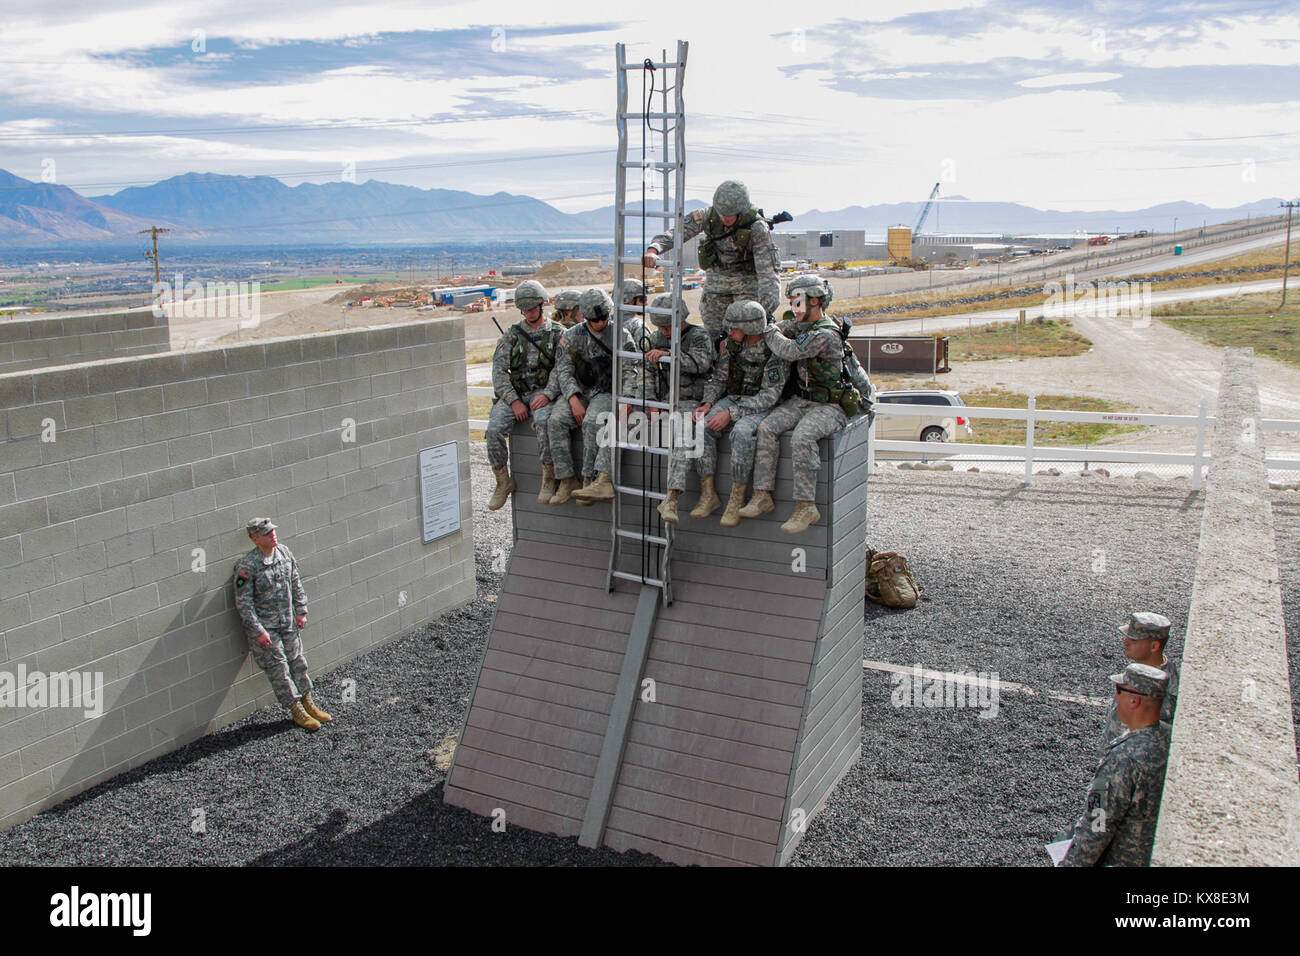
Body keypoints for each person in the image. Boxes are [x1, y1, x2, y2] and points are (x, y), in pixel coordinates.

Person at [742, 275, 866, 534]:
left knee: (803, 437)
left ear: (816, 302)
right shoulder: (804, 327)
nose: (795, 309)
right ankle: (762, 494)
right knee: (767, 428)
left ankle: (806, 506)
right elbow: (787, 329)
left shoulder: (825, 334)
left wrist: (770, 330)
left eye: (798, 303)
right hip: (802, 400)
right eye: (793, 303)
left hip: (830, 406)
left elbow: (789, 350)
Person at [611, 293, 716, 522]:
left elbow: (702, 363)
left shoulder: (698, 336)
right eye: (661, 327)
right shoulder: (656, 338)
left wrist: (670, 355)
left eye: (669, 326)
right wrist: (650, 404)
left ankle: (672, 497)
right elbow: (646, 373)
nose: (665, 331)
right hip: (663, 400)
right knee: (615, 422)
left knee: (682, 434)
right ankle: (601, 478)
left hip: (691, 399)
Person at [683, 300, 789, 528]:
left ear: (751, 327)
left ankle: (736, 498)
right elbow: (720, 378)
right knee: (701, 427)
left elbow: (770, 396)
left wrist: (731, 414)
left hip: (760, 405)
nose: (730, 332)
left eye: (735, 328)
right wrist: (708, 403)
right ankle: (708, 493)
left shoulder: (774, 351)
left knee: (742, 432)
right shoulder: (732, 345)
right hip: (733, 398)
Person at [1060, 662, 1171, 867]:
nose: (1115, 697)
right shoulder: (1170, 739)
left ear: (1134, 700)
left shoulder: (1122, 758)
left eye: (1119, 691)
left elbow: (1097, 825)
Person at [642, 180, 780, 341]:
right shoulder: (709, 216)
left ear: (741, 211)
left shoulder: (757, 227)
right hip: (717, 282)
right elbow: (680, 231)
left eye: (729, 216)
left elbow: (768, 273)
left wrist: (763, 311)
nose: (724, 219)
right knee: (713, 335)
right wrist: (654, 248)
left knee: (744, 335)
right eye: (721, 214)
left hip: (747, 283)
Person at [233, 518, 332, 732]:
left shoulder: (284, 554)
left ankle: (309, 703)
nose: (273, 535)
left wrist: (301, 610)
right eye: (267, 533)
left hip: (288, 623)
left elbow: (295, 581)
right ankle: (296, 710)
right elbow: (244, 604)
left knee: (298, 662)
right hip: (267, 630)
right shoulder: (247, 566)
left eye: (273, 531)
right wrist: (257, 631)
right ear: (255, 539)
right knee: (280, 670)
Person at [550, 289, 637, 504]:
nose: (600, 323)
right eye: (595, 320)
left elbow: (631, 369)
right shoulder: (571, 336)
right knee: (555, 420)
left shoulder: (621, 335)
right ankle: (567, 479)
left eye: (604, 318)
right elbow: (564, 369)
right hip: (579, 390)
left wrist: (626, 399)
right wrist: (572, 399)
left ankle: (589, 480)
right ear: (585, 317)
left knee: (592, 422)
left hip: (605, 391)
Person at [486, 279, 561, 509]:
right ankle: (503, 481)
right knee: (493, 430)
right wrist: (514, 401)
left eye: (532, 308)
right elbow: (499, 371)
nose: (529, 313)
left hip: (542, 393)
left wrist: (548, 394)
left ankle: (549, 478)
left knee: (543, 423)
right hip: (516, 394)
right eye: (524, 309)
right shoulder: (512, 334)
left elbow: (562, 369)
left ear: (542, 305)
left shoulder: (558, 333)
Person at [1101, 612, 1180, 751]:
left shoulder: (1161, 693)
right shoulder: (1143, 673)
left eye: (1134, 639)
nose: (1125, 642)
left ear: (1154, 646)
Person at [619, 278, 652, 348]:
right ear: (628, 300)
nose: (646, 303)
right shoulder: (638, 326)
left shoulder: (608, 321)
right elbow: (645, 355)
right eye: (643, 300)